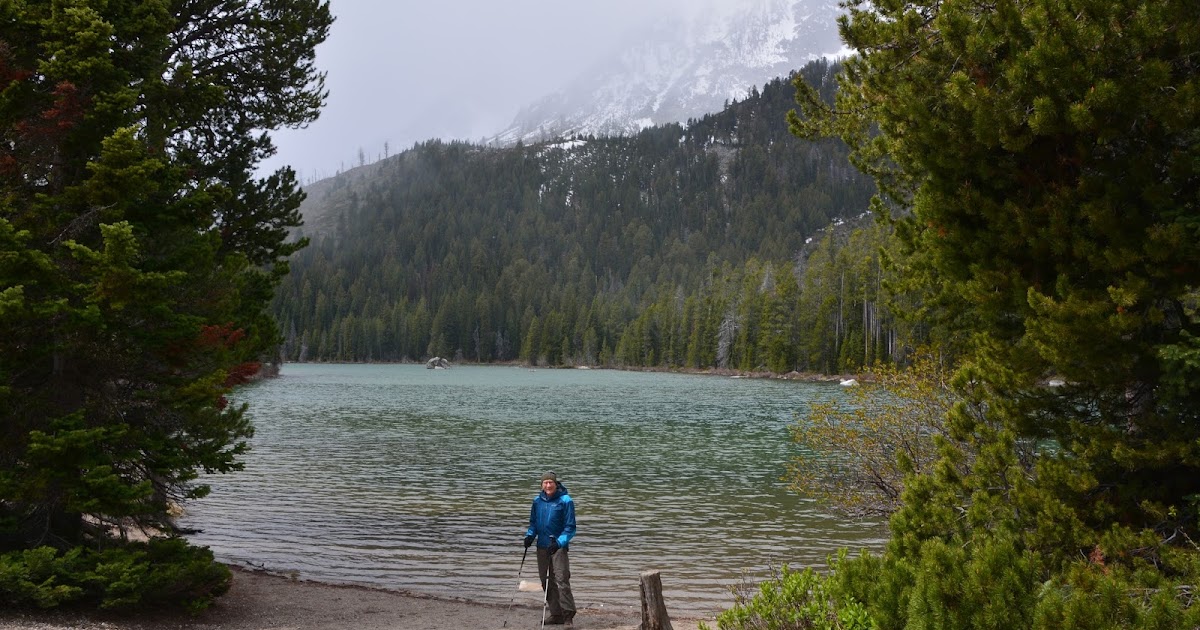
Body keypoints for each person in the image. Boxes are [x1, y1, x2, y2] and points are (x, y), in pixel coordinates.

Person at [524, 471, 576, 626]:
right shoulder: (537, 501)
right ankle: (556, 613)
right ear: (542, 485)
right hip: (542, 546)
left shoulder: (565, 501)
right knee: (545, 581)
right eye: (545, 482)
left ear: (556, 483)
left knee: (561, 580)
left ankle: (568, 616)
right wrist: (530, 536)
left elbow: (570, 527)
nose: (548, 485)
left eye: (550, 482)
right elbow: (533, 523)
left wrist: (559, 543)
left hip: (558, 547)